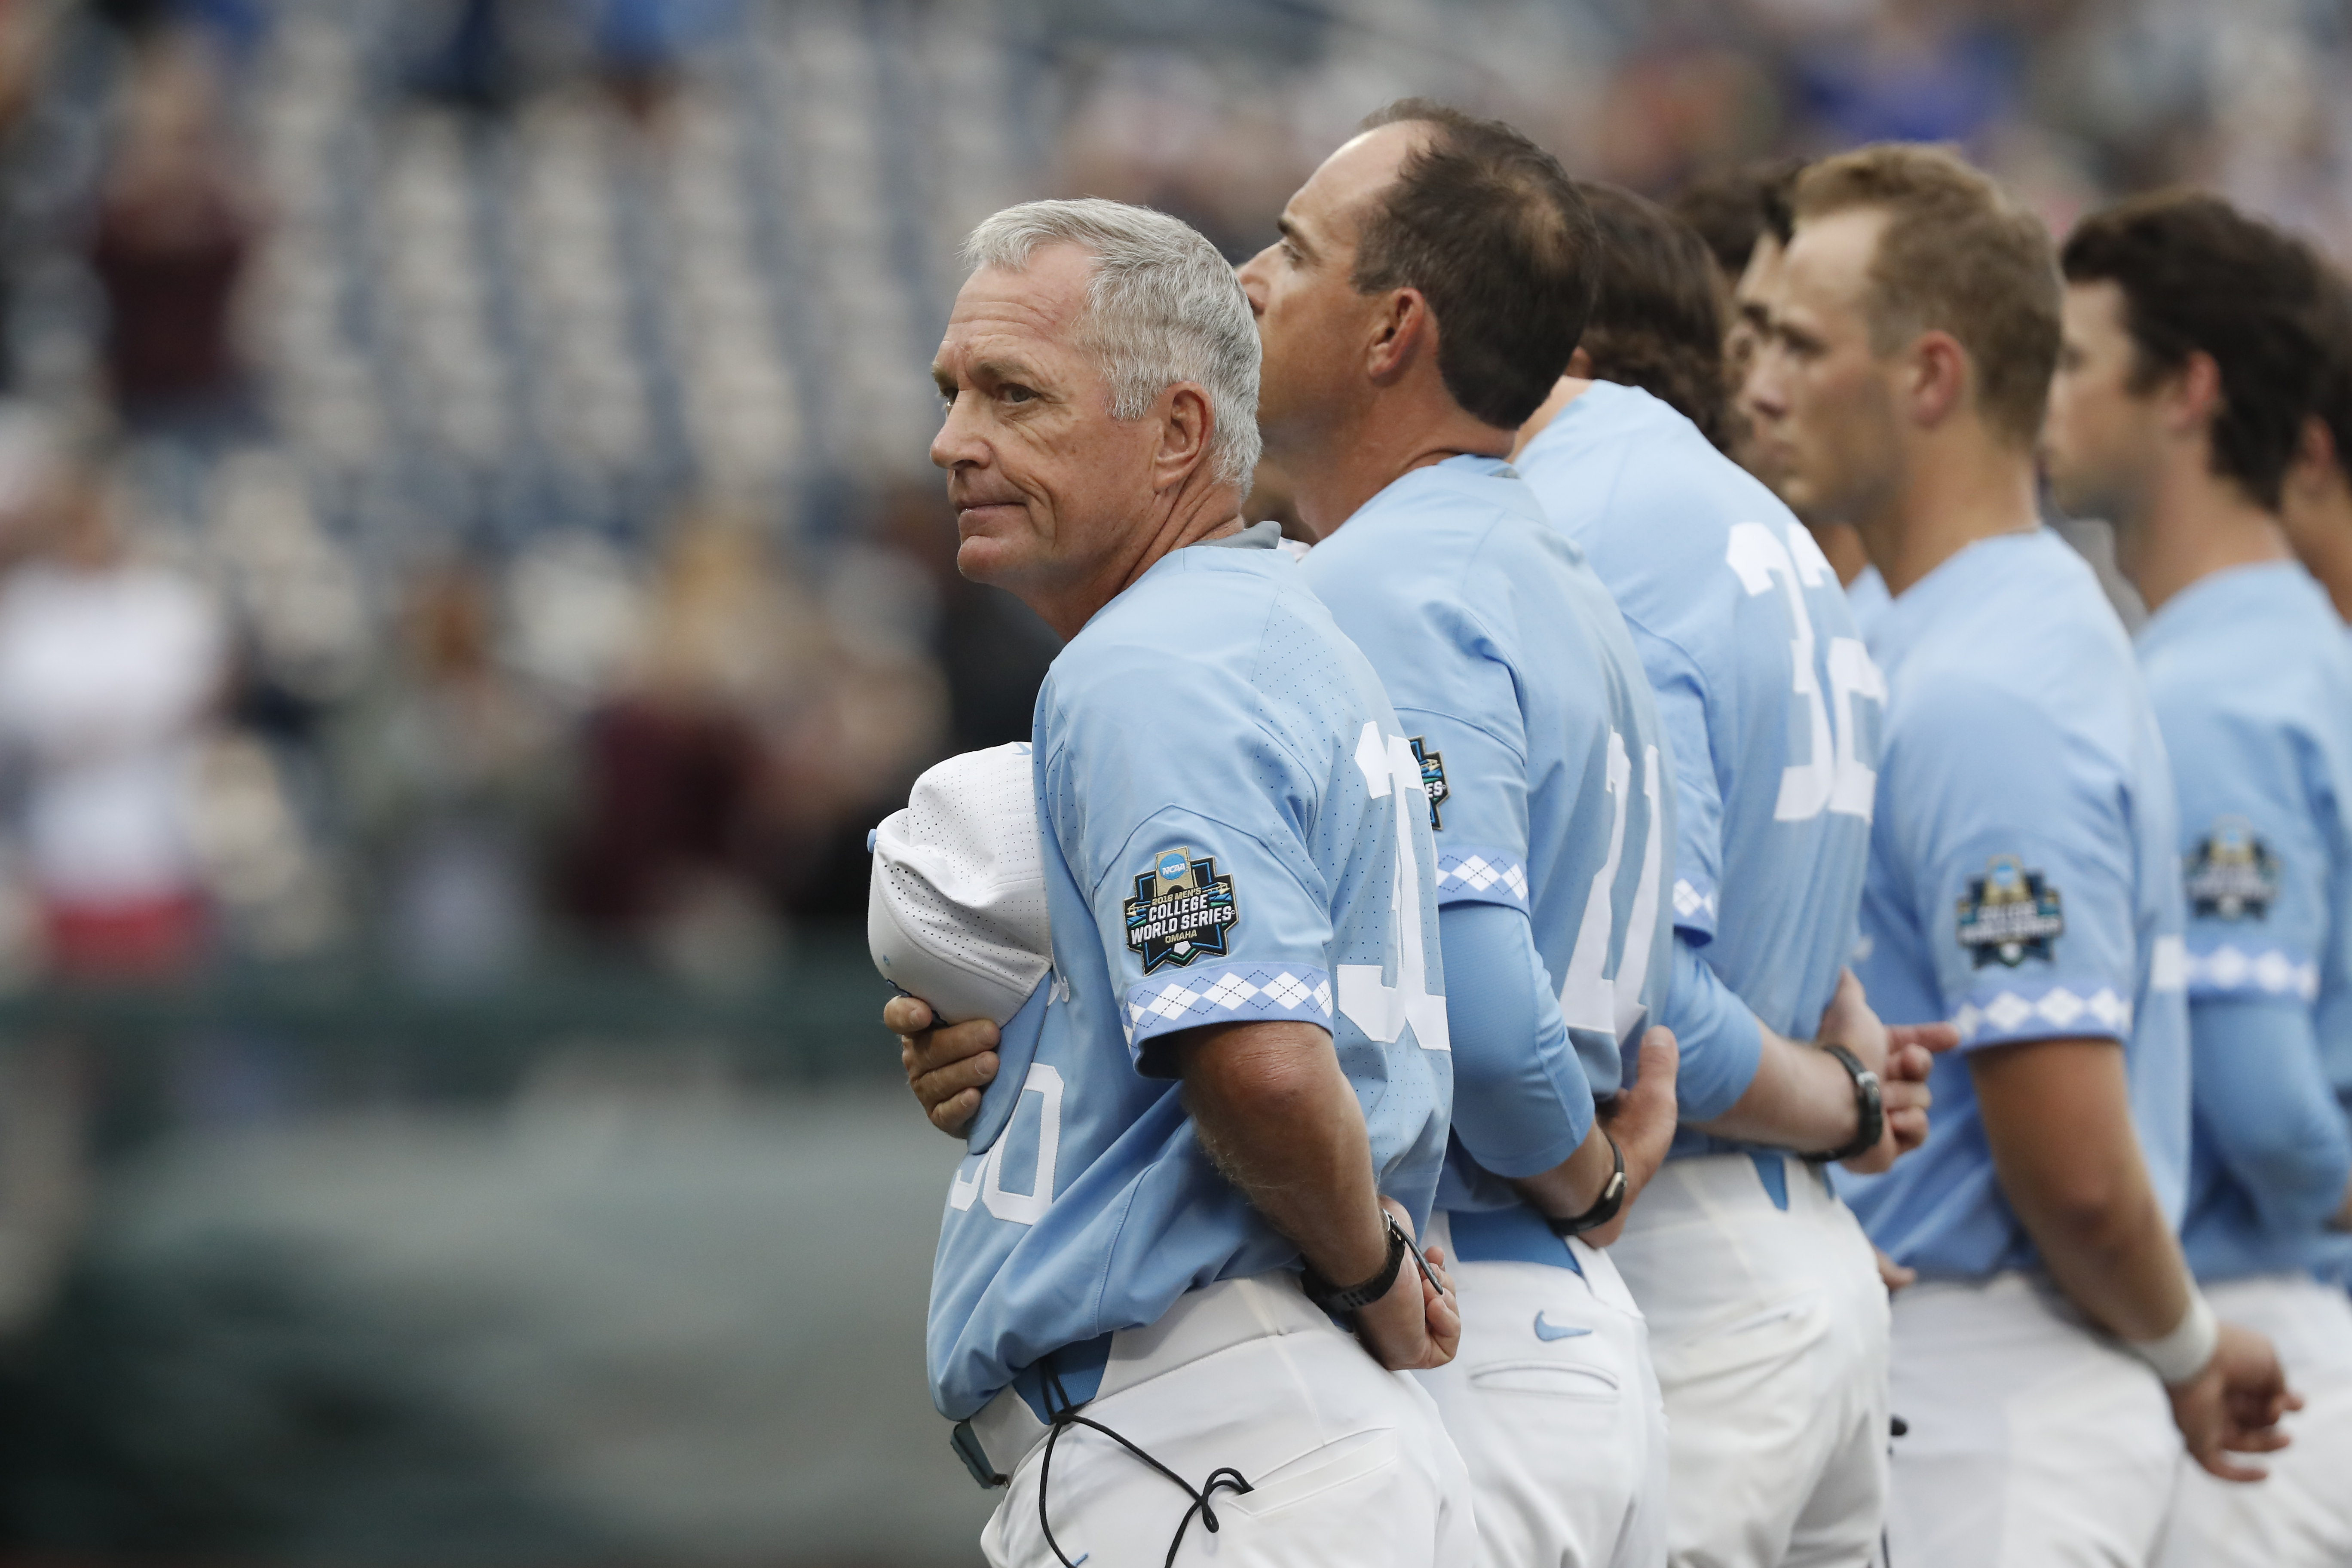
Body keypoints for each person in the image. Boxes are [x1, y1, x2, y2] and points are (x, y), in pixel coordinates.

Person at [886, 198, 1472, 1568]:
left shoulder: (1156, 665)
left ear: (1179, 434)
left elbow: (1259, 1063)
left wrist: (1373, 1272)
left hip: (1211, 1438)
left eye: (1015, 395)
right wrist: (1032, 1056)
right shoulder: (1261, 624)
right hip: (1262, 1433)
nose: (953, 439)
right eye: (955, 390)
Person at [1741, 143, 2295, 1568]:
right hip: (1926, 1370)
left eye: (1803, 343)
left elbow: (2075, 1159)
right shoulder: (1911, 628)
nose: (1761, 379)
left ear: (1930, 377)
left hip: (1997, 1395)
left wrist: (2184, 1347)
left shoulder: (1997, 683)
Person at [1239, 101, 1683, 1567]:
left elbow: (1485, 1019)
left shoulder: (1393, 583)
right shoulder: (1544, 564)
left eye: (1295, 252)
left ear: (1393, 333)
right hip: (1553, 1337)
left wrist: (1588, 1177)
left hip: (1472, 1318)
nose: (1245, 277)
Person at [1513, 179, 1950, 1568]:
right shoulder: (1760, 530)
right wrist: (1845, 1079)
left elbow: (1643, 986)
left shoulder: (1581, 521)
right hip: (1781, 1255)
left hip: (1682, 1252)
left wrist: (1836, 1104)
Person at [2044, 189, 2352, 1568]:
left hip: (2262, 1335)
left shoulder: (2222, 693)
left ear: (2189, 392)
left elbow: (2267, 1107)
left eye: (2073, 362)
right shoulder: (2291, 651)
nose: (2038, 398)